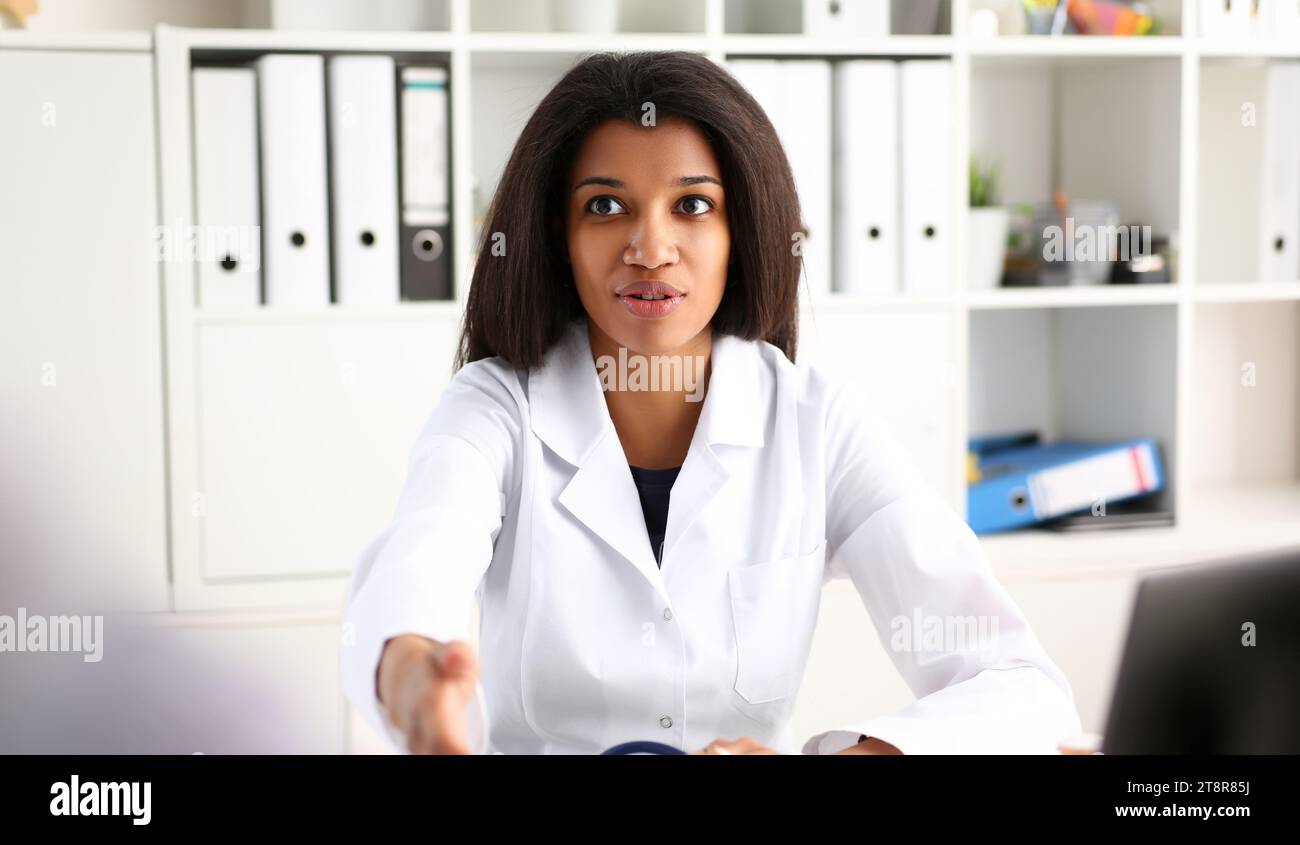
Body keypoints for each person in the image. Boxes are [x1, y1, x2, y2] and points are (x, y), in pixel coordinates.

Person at [341, 50, 1081, 755]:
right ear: (557, 237)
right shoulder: (494, 412)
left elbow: (1020, 686)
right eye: (605, 206)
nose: (650, 247)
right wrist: (413, 682)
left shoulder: (816, 422)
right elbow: (416, 571)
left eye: (693, 204)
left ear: (742, 230)